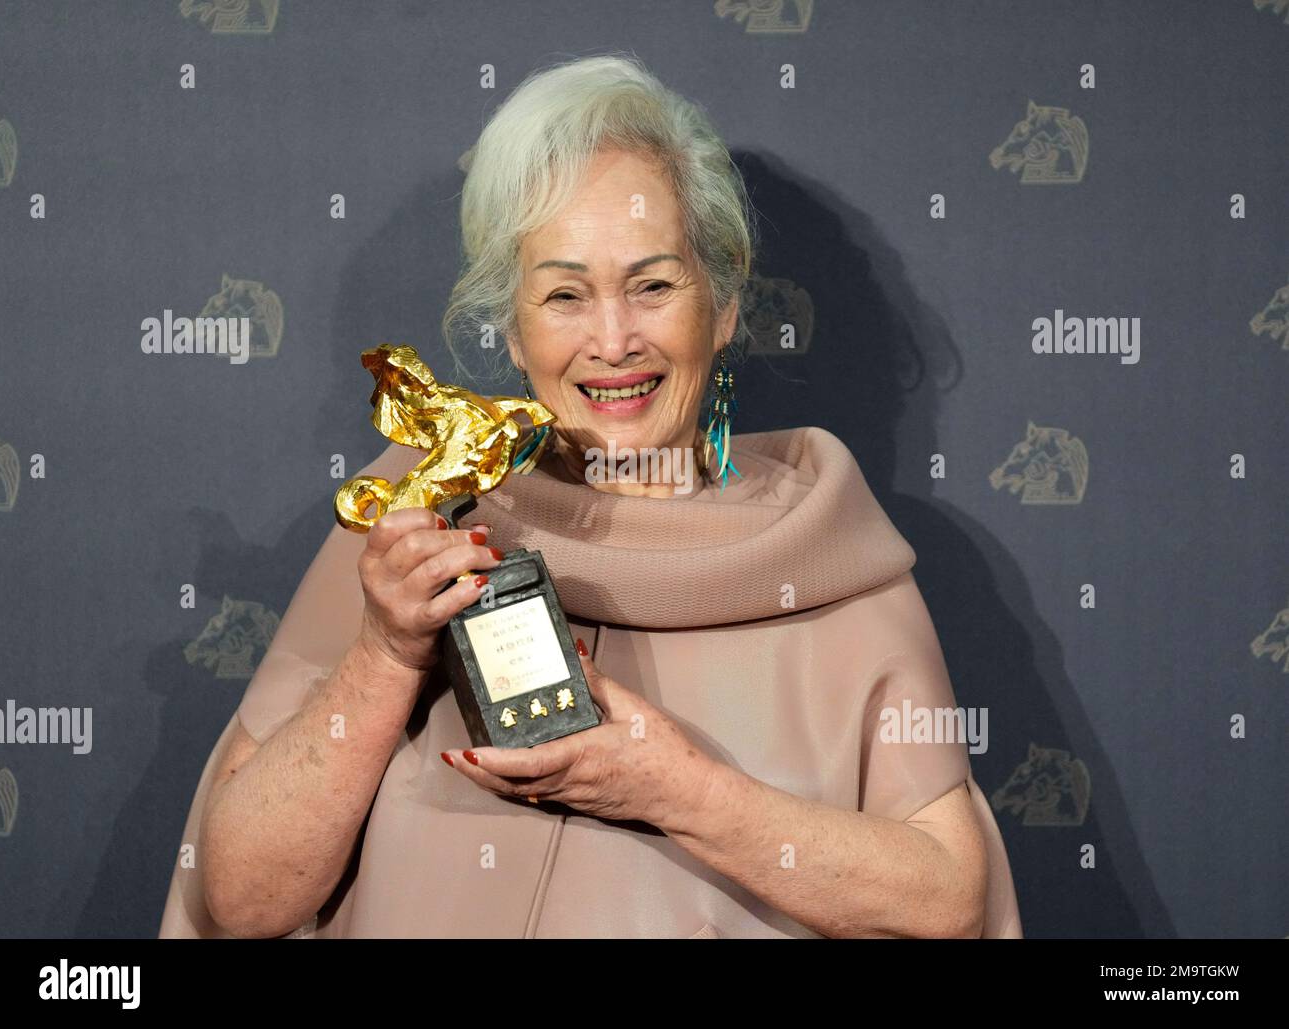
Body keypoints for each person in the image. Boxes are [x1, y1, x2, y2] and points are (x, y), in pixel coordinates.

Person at [159, 53, 1022, 939]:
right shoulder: (417, 517)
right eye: (565, 294)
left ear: (723, 305)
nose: (612, 341)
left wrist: (680, 789)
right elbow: (242, 894)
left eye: (652, 285)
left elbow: (949, 899)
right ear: (513, 325)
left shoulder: (827, 553)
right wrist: (385, 654)